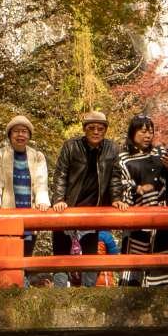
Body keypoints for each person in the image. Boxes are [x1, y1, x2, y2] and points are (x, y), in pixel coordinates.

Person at [115, 114, 168, 287]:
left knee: (162, 269)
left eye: (150, 132)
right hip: (137, 221)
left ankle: (163, 299)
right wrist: (137, 189)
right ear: (132, 132)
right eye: (143, 131)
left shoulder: (159, 153)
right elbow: (120, 185)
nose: (147, 136)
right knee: (133, 268)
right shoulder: (123, 158)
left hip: (161, 220)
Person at [52, 111, 120, 286]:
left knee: (90, 258)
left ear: (105, 130)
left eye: (100, 128)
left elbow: (114, 177)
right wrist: (59, 199)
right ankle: (59, 295)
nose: (96, 132)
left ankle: (88, 293)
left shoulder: (112, 149)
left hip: (92, 211)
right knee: (61, 257)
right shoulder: (71, 146)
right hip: (67, 208)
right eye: (91, 128)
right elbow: (61, 174)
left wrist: (116, 198)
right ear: (84, 129)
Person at [0, 114, 49, 284]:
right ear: (10, 135)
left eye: (24, 131)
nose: (20, 135)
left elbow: (41, 183)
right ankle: (8, 293)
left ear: (29, 135)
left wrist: (42, 201)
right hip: (8, 215)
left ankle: (21, 291)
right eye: (16, 131)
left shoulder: (37, 156)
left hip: (29, 217)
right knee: (7, 262)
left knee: (25, 260)